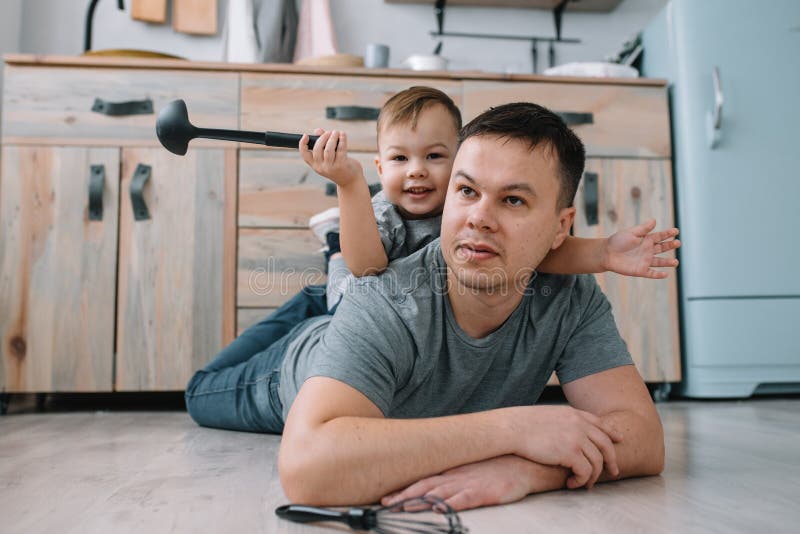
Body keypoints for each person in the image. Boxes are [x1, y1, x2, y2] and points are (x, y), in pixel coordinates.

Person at [185, 101, 675, 510]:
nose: (478, 219)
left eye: (514, 201)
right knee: (199, 392)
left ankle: (320, 303)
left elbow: (643, 440)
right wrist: (516, 427)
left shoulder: (570, 298)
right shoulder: (385, 298)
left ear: (561, 227)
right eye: (466, 191)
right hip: (293, 370)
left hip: (358, 326)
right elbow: (308, 469)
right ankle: (314, 307)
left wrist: (524, 469)